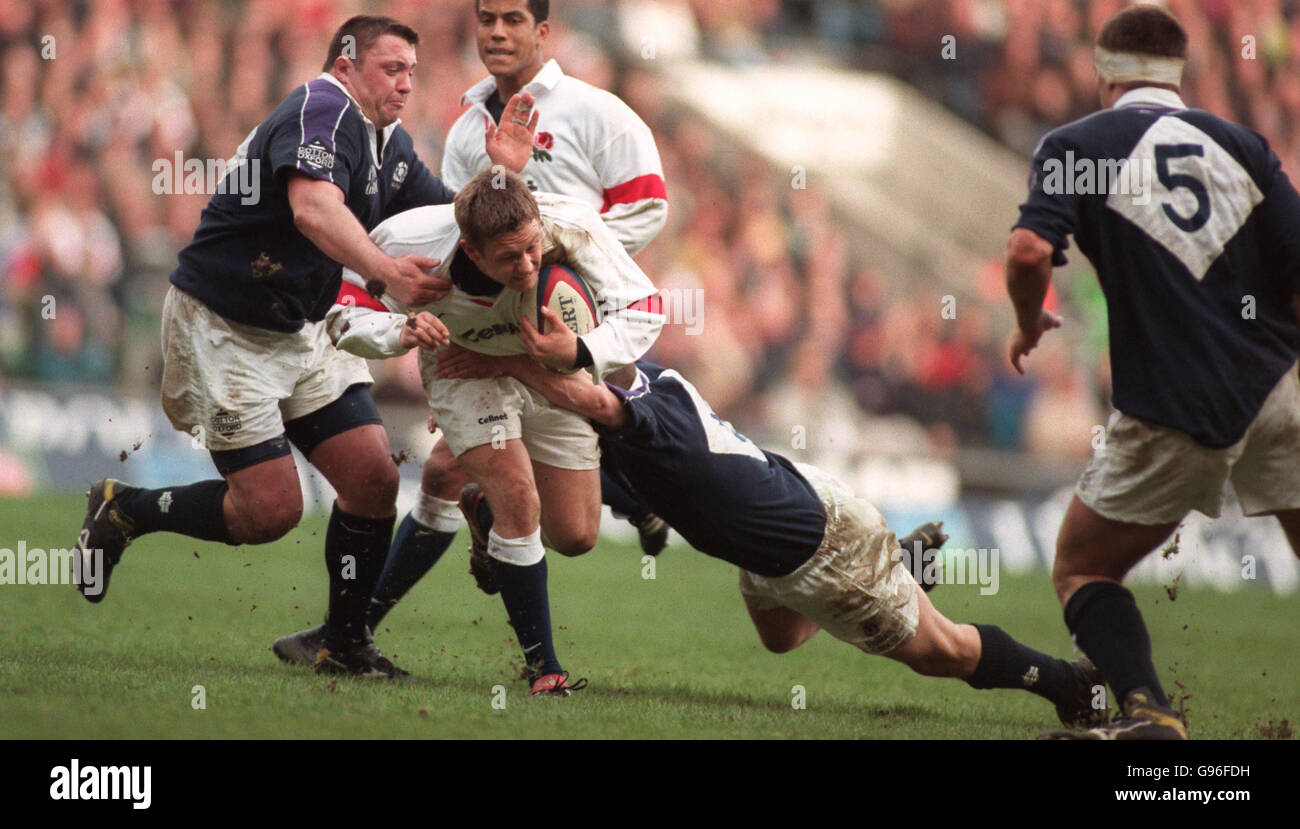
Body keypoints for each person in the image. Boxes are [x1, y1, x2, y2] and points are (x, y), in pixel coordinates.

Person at [295, 347, 1103, 728]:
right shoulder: (654, 385)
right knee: (782, 640)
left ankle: (1073, 688)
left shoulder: (648, 427)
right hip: (783, 538)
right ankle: (908, 572)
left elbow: (590, 406)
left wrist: (483, 363)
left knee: (944, 652)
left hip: (821, 550)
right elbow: (578, 446)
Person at [74, 15, 536, 678]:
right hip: (224, 327)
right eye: (390, 67)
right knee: (269, 512)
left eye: (412, 70)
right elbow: (312, 209)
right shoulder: (322, 105)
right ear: (346, 64)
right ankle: (127, 507)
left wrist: (499, 174)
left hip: (303, 327)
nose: (406, 82)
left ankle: (342, 643)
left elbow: (453, 223)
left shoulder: (388, 142)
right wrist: (382, 269)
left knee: (375, 479)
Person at [1005, 4, 1300, 739]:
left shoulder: (1077, 144)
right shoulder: (1243, 145)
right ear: (1179, 74)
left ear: (1102, 74)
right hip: (1278, 385)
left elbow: (1026, 252)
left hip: (1176, 400)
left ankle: (1150, 710)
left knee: (1080, 566)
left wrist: (1026, 317)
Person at [275, 168, 664, 694]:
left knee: (574, 536)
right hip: (462, 369)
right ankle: (544, 670)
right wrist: (401, 329)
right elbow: (342, 314)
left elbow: (647, 307)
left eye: (532, 249)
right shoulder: (410, 241)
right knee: (519, 497)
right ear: (472, 252)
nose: (527, 265)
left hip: (547, 365)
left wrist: (578, 350)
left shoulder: (571, 225)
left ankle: (483, 511)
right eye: (508, 257)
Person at [406, 0, 671, 576]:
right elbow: (458, 234)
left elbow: (648, 204)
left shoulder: (596, 111)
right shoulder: (467, 126)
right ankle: (354, 628)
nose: (497, 33)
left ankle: (636, 494)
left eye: (513, 20)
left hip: (569, 316)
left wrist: (566, 261)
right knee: (452, 466)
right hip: (495, 320)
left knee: (554, 506)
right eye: (487, 20)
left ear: (543, 31)